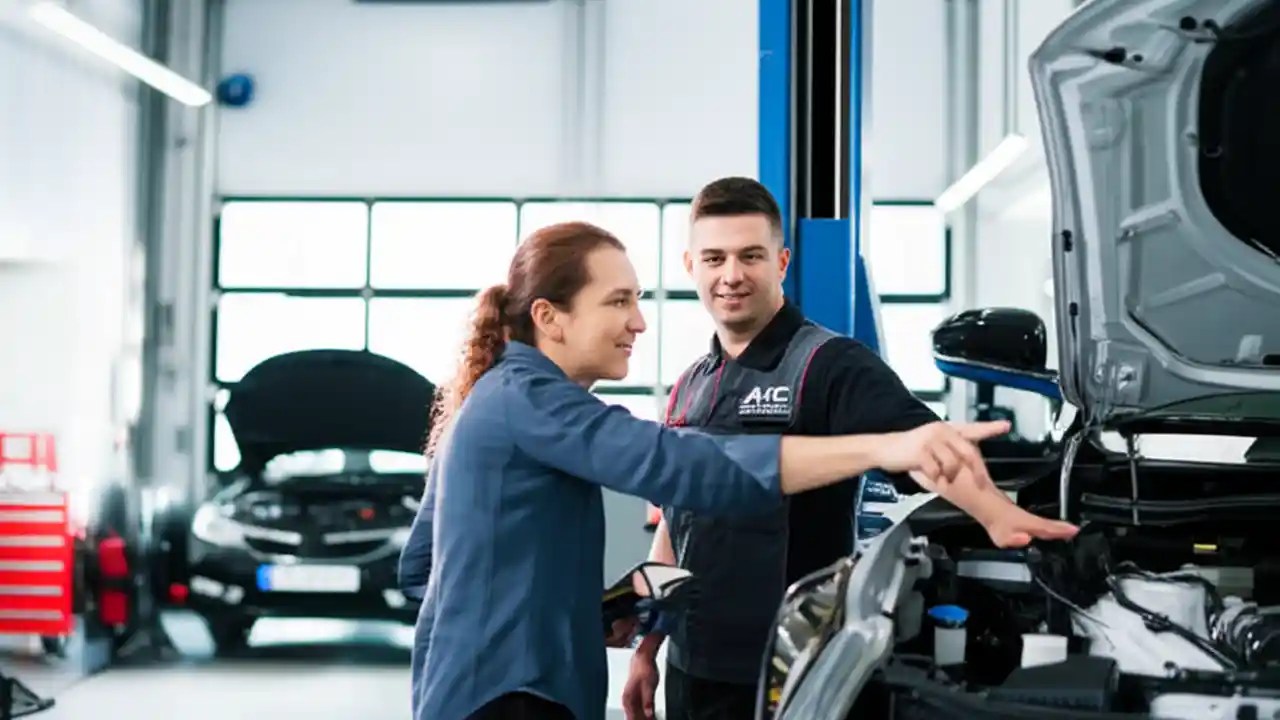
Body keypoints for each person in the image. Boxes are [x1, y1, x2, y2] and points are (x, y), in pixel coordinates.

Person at [396, 220, 1063, 720]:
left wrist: (584, 613)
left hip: (476, 690)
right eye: (618, 302)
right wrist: (884, 448)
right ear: (550, 317)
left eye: (639, 300)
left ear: (782, 262)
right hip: (516, 699)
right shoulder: (536, 400)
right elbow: (686, 467)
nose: (638, 322)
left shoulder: (493, 399)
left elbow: (423, 568)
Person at [621, 177, 1079, 720]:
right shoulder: (689, 384)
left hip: (792, 671)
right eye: (714, 258)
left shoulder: (829, 364)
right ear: (690, 265)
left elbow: (922, 447)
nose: (732, 275)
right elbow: (677, 524)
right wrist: (647, 647)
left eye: (751, 256)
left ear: (782, 262)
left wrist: (995, 514)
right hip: (692, 668)